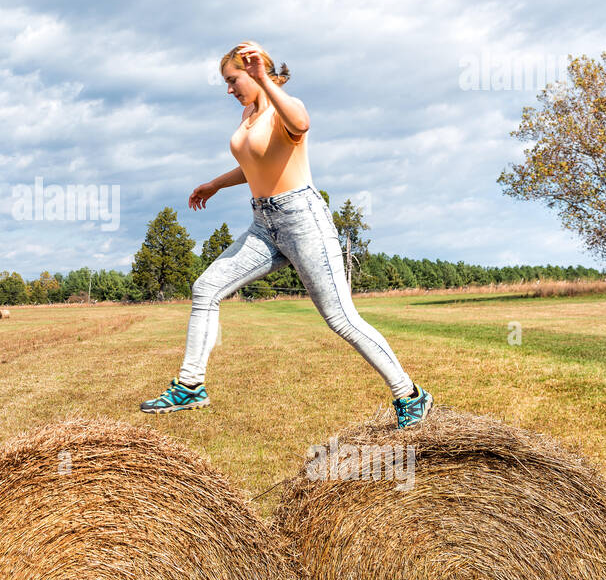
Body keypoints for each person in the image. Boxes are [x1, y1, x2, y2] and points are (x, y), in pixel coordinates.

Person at [139, 41, 434, 427]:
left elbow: (301, 124)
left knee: (341, 318)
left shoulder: (284, 107)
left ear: (255, 72)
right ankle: (191, 385)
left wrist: (264, 79)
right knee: (206, 288)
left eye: (233, 81)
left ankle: (410, 395)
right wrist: (214, 184)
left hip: (302, 220)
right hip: (265, 224)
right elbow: (254, 163)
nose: (229, 90)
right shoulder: (249, 112)